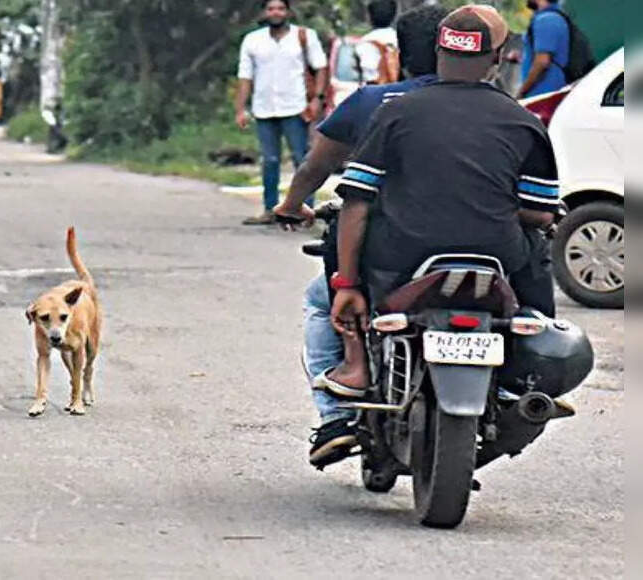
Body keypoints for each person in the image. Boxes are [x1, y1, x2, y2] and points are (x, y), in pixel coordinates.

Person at [322, 4, 559, 463]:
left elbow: (357, 201)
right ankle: (532, 355)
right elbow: (540, 213)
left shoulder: (396, 112)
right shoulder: (523, 121)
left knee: (341, 228)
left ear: (437, 52)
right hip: (497, 258)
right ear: (498, 57)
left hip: (403, 259)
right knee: (538, 245)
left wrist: (347, 286)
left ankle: (356, 360)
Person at [268, 4, 449, 467]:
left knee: (321, 299)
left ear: (400, 55)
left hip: (390, 252)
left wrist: (291, 207)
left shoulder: (374, 103)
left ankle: (336, 416)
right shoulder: (490, 105)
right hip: (483, 248)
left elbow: (316, 167)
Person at [235, 0, 328, 225]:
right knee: (270, 160)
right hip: (264, 108)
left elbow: (321, 67)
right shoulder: (253, 40)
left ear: (288, 12)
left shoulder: (304, 36)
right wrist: (240, 108)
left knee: (301, 159)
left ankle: (304, 210)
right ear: (264, 13)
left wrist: (318, 98)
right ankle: (270, 209)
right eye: (271, 9)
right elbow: (245, 76)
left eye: (280, 8)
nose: (275, 13)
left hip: (295, 107)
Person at [517, 0, 571, 98]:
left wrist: (522, 91)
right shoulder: (552, 17)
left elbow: (542, 62)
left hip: (542, 94)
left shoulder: (546, 20)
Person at [355, 0, 400, 85]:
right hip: (398, 89)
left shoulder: (364, 42)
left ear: (370, 17)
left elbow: (359, 72)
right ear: (393, 16)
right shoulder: (399, 38)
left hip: (371, 89)